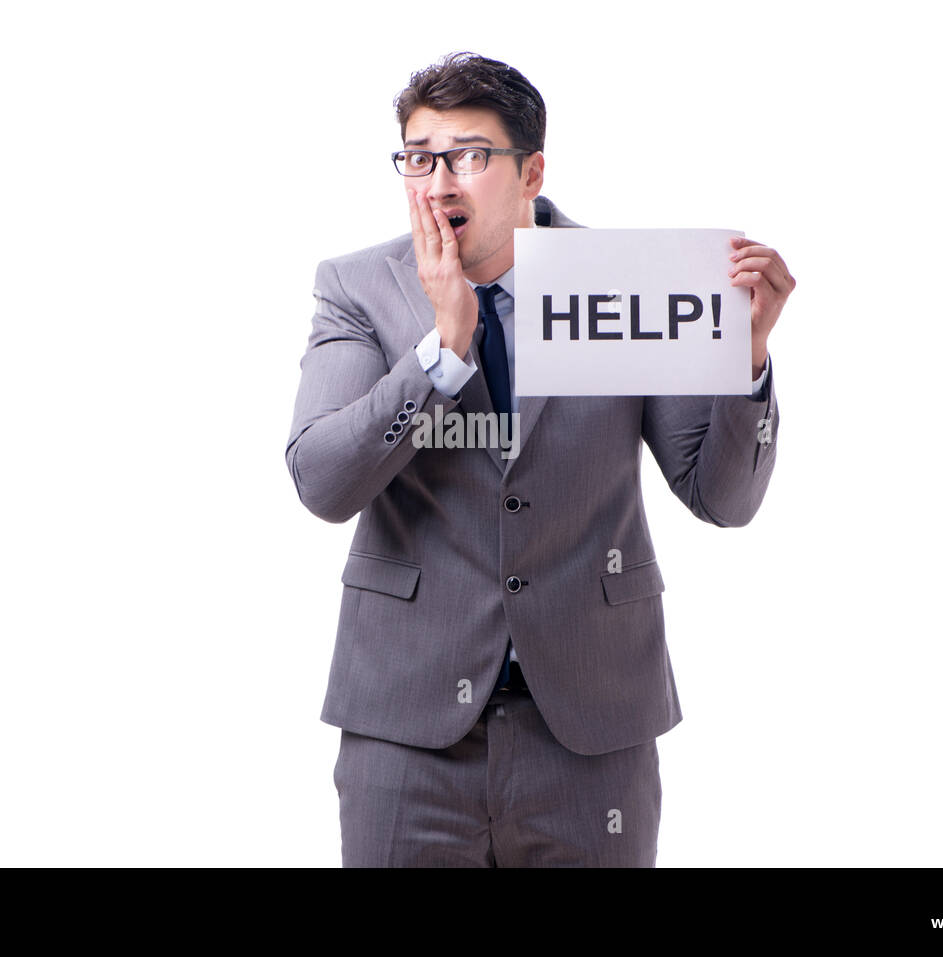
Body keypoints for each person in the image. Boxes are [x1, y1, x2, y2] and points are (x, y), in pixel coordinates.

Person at [285, 51, 794, 866]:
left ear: (532, 172)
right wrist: (439, 354)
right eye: (420, 158)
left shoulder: (626, 285)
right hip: (406, 732)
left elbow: (720, 496)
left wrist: (747, 359)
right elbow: (323, 479)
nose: (440, 182)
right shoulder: (358, 287)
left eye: (470, 157)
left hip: (590, 731)